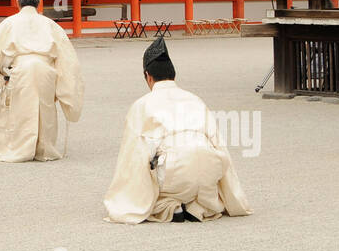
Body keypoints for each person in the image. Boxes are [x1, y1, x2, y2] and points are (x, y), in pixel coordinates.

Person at [103, 35, 252, 224]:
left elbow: (132, 155)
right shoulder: (195, 99)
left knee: (147, 190)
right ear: (173, 75)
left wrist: (127, 194)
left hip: (173, 172)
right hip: (209, 170)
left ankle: (169, 205)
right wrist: (234, 197)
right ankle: (198, 205)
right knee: (200, 178)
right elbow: (218, 143)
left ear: (148, 76)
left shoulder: (142, 105)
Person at [0, 0, 83, 162]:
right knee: (44, 110)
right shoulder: (51, 25)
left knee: (19, 111)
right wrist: (66, 92)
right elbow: (68, 62)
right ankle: (44, 150)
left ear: (18, 1)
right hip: (47, 72)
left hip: (21, 71)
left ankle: (19, 150)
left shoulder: (8, 24)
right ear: (38, 2)